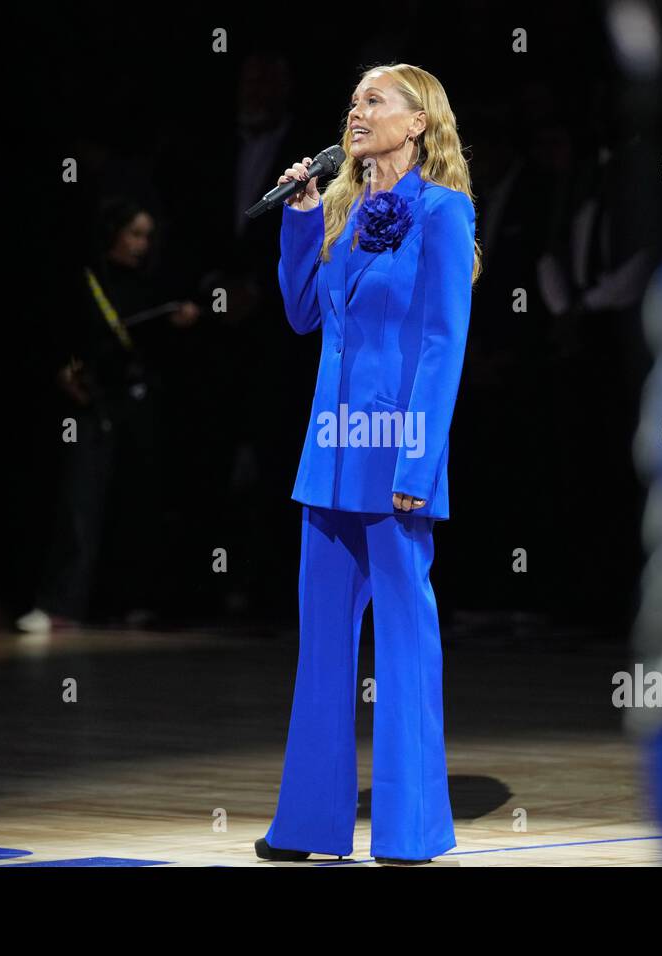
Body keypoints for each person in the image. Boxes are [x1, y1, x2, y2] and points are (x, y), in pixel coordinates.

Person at [255, 64, 481, 865]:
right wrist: (303, 220)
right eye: (350, 100)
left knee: (406, 641)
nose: (356, 111)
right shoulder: (344, 211)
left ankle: (410, 829)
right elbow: (302, 313)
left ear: (418, 122)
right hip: (329, 457)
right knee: (321, 647)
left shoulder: (445, 213)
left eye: (374, 100)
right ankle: (308, 826)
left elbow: (442, 345)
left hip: (397, 463)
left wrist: (417, 467)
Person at [17, 198, 200, 634]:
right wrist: (62, 370)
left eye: (147, 237)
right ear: (113, 233)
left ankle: (133, 601)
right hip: (93, 401)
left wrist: (186, 320)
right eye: (134, 234)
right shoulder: (85, 281)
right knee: (80, 503)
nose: (141, 244)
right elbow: (54, 335)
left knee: (138, 503)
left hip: (141, 405)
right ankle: (61, 603)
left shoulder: (155, 282)